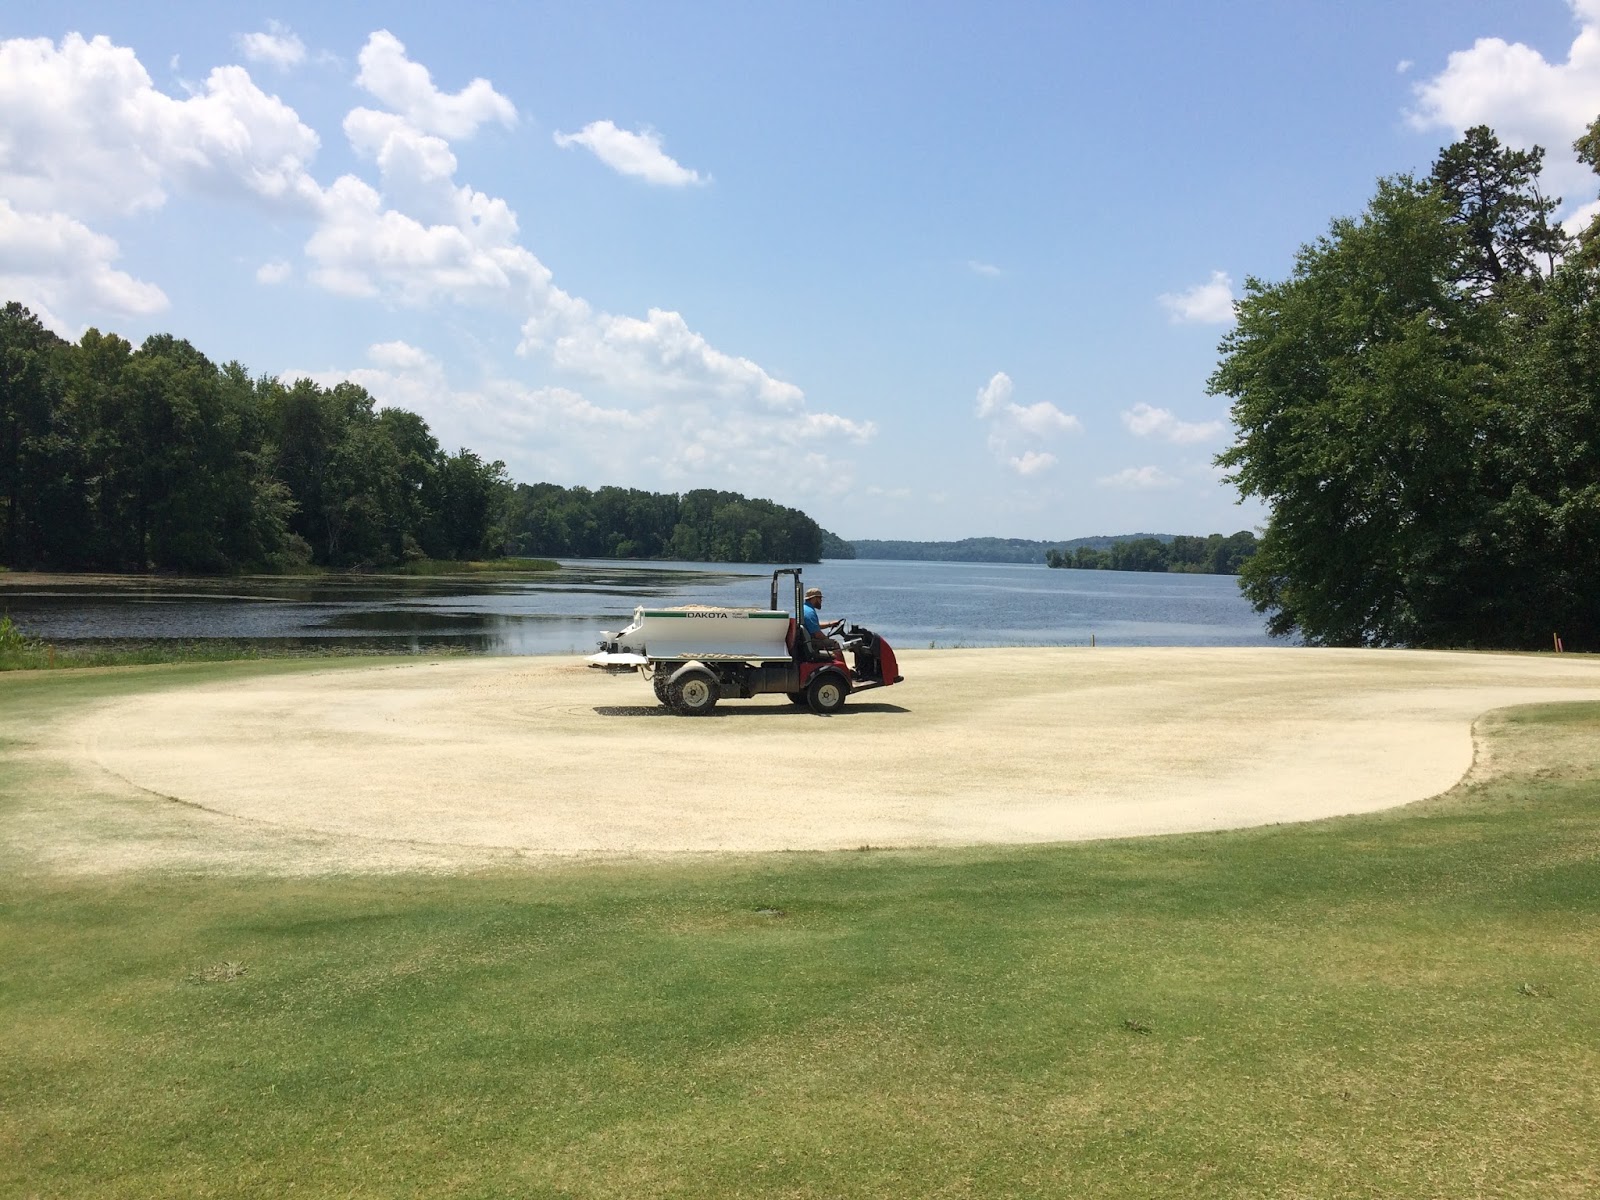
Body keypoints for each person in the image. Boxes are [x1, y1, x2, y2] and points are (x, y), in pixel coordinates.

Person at [801, 586, 846, 659]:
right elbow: (818, 634)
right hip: (812, 642)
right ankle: (842, 667)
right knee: (834, 643)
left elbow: (814, 625)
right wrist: (826, 638)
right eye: (820, 598)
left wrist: (830, 624)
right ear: (814, 598)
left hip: (807, 641)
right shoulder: (810, 613)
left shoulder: (804, 609)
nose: (821, 600)